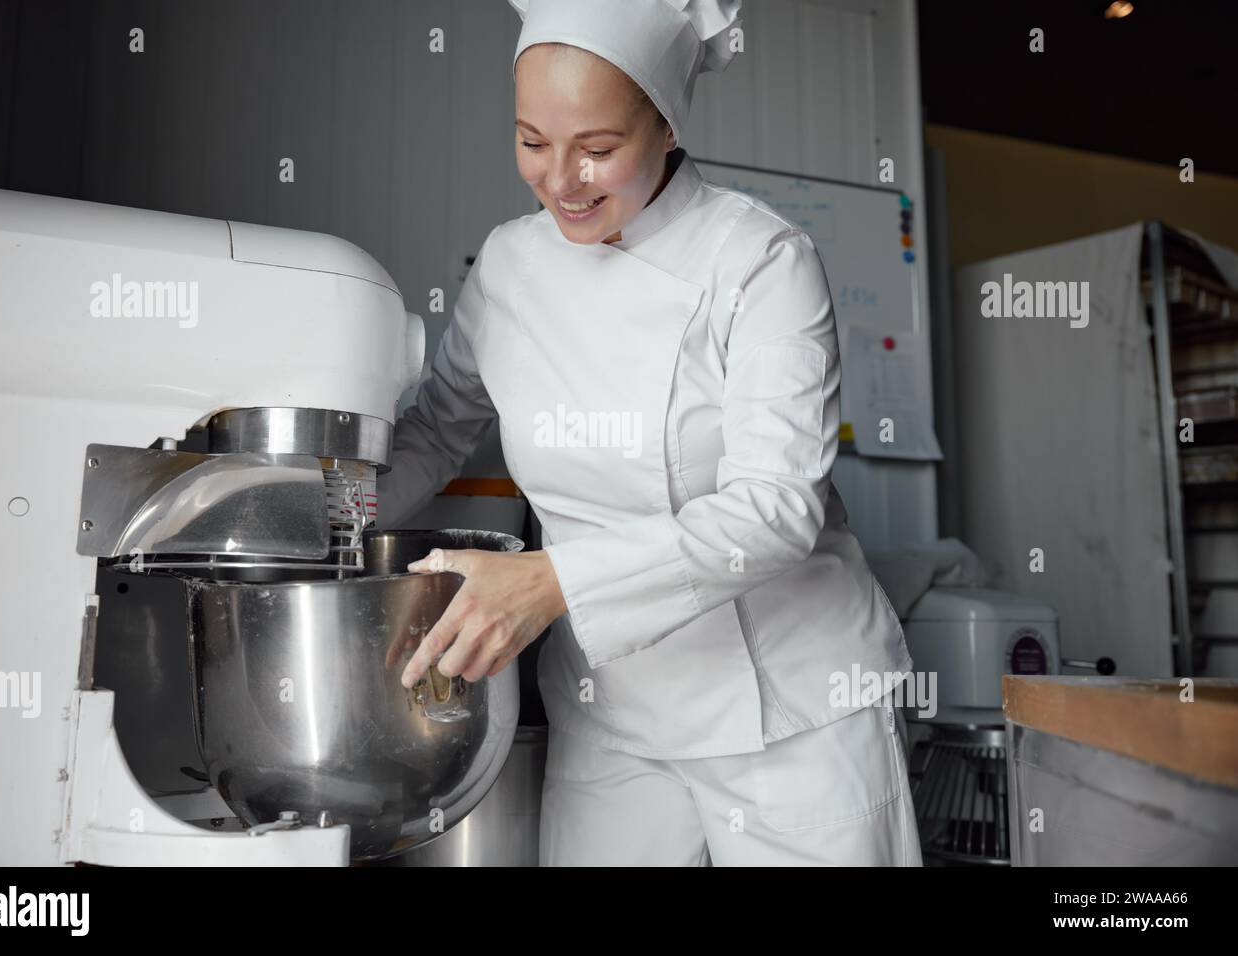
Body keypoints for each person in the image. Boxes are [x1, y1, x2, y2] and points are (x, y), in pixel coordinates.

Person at [377, 0, 922, 866]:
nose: (561, 181)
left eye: (597, 150)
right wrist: (316, 508)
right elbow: (435, 434)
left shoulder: (760, 263)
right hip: (614, 711)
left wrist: (549, 583)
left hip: (791, 714)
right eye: (531, 141)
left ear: (666, 127)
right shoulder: (510, 268)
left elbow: (776, 511)